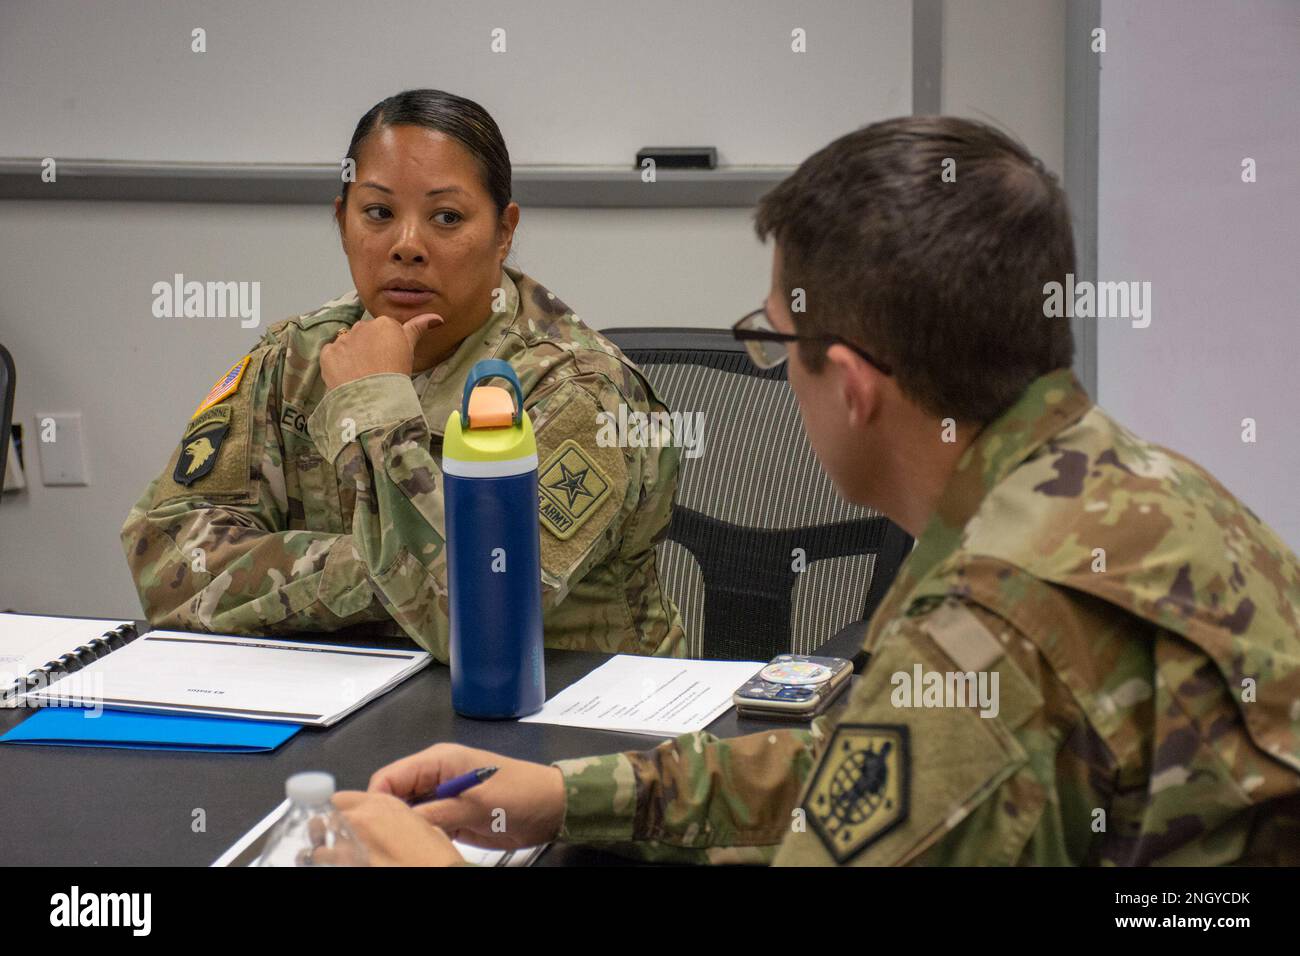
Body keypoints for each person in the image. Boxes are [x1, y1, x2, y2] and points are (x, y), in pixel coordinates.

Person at [324, 116, 1300, 867]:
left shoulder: (992, 634)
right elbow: (872, 769)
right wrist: (570, 794)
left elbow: (935, 753)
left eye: (775, 337)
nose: (772, 366)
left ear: (854, 384)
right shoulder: (1144, 486)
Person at [120, 89, 685, 662]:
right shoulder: (296, 357)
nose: (407, 246)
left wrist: (373, 403)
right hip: (346, 705)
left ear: (504, 230)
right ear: (342, 222)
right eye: (379, 213)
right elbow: (165, 558)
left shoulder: (582, 391)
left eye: (446, 217)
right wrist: (383, 569)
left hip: (565, 721)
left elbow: (478, 619)